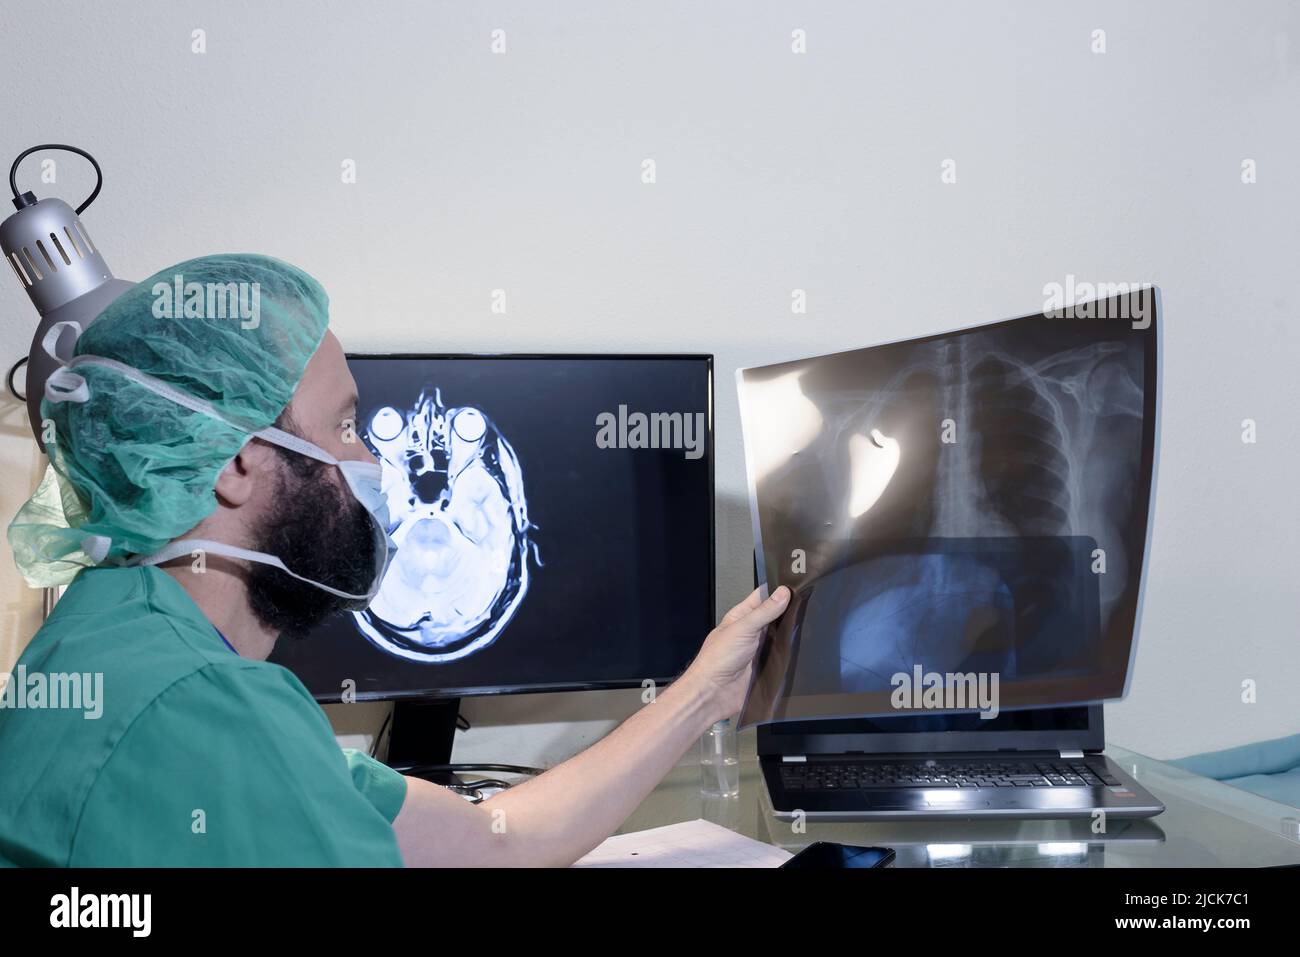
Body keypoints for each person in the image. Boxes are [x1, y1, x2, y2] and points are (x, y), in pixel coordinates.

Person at [0, 253, 789, 866]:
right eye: (348, 427)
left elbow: (494, 839)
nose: (375, 461)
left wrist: (704, 690)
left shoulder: (117, 639)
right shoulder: (204, 711)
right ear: (236, 460)